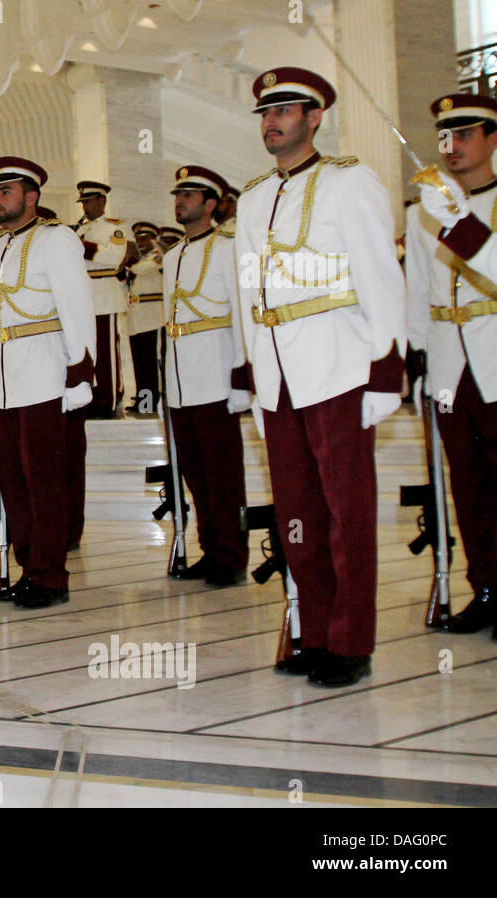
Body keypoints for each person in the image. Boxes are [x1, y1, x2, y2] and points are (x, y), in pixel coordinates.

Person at [234, 68, 406, 687]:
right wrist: (255, 376)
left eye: (284, 110)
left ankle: (349, 641)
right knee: (297, 514)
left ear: (315, 117)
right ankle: (312, 630)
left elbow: (379, 274)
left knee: (345, 511)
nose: (271, 121)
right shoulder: (253, 198)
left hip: (339, 365)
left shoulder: (349, 181)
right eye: (265, 112)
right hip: (279, 373)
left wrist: (386, 370)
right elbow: (248, 294)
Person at [405, 92, 497, 636]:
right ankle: (485, 588)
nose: (451, 145)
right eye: (444, 136)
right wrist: (418, 359)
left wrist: (459, 222)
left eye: (464, 134)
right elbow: (417, 290)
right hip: (449, 364)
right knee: (468, 483)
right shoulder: (423, 209)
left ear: (492, 138)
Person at [0, 157, 96, 608]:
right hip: (5, 380)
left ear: (31, 196)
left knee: (44, 482)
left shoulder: (57, 239)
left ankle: (50, 576)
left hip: (45, 374)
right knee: (13, 483)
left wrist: (79, 371)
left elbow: (77, 306)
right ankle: (27, 568)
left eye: (6, 191)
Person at [163, 165, 250, 586]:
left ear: (212, 204)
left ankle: (231, 557)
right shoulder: (172, 257)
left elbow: (243, 314)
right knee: (195, 474)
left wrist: (241, 376)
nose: (180, 202)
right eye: (178, 195)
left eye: (189, 195)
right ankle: (210, 549)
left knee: (223, 475)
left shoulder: (229, 248)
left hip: (216, 374)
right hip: (181, 380)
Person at [74, 181, 128, 418]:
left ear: (102, 200)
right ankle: (91, 398)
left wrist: (83, 246)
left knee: (105, 352)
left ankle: (109, 399)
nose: (85, 207)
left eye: (88, 201)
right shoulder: (80, 229)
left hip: (104, 295)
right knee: (87, 351)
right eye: (83, 202)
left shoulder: (114, 228)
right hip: (83, 295)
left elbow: (114, 258)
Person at [125, 221, 164, 415]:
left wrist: (127, 260)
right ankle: (142, 399)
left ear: (154, 239)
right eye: (138, 239)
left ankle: (149, 403)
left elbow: (141, 269)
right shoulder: (141, 259)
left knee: (148, 363)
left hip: (151, 316)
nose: (140, 243)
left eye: (144, 239)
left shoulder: (158, 256)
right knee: (139, 363)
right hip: (136, 316)